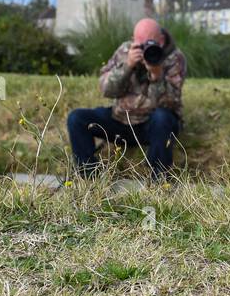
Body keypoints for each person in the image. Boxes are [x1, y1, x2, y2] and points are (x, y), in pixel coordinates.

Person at [66, 18, 186, 180]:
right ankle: (88, 175)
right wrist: (127, 66)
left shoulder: (174, 58)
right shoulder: (125, 51)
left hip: (152, 125)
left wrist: (157, 76)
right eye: (140, 44)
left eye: (150, 44)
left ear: (161, 40)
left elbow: (171, 102)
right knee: (77, 118)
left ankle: (160, 179)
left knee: (162, 118)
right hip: (120, 119)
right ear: (133, 40)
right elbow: (106, 89)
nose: (145, 50)